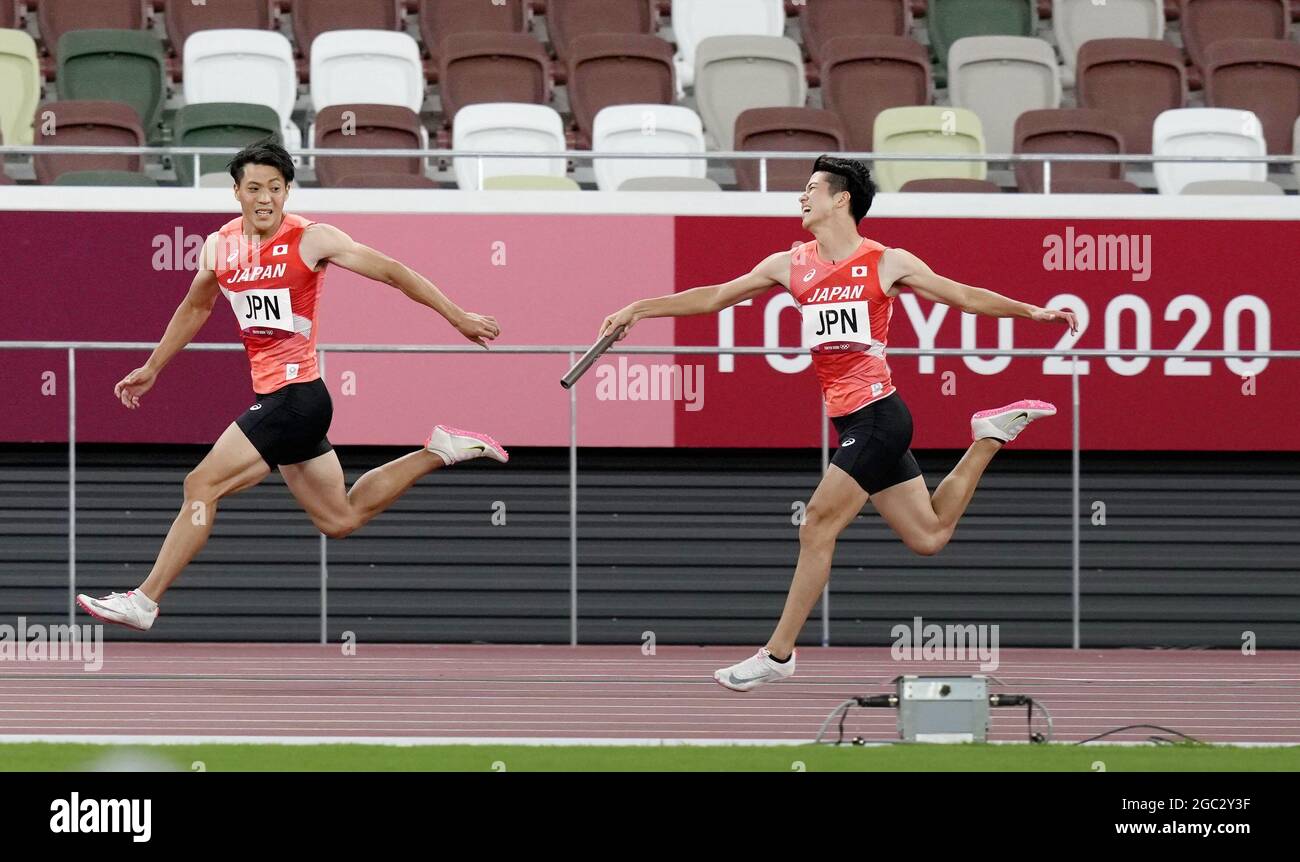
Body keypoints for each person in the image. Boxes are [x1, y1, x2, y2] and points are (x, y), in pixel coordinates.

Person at [598, 155, 1078, 691]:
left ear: (840, 197)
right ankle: (987, 438)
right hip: (852, 418)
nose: (801, 199)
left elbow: (963, 296)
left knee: (817, 525)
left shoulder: (887, 262)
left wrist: (1032, 312)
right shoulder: (790, 264)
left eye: (810, 189)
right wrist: (639, 308)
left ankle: (778, 654)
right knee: (930, 536)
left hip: (878, 415)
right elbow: (712, 297)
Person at [77, 141, 507, 632]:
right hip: (278, 400)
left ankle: (145, 600)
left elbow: (393, 272)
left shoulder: (312, 239)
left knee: (200, 484)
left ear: (287, 192)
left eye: (276, 189)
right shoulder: (220, 246)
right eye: (254, 188)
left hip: (297, 396)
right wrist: (154, 367)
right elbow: (196, 308)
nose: (265, 198)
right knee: (340, 519)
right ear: (237, 192)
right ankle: (439, 450)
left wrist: (458, 316)